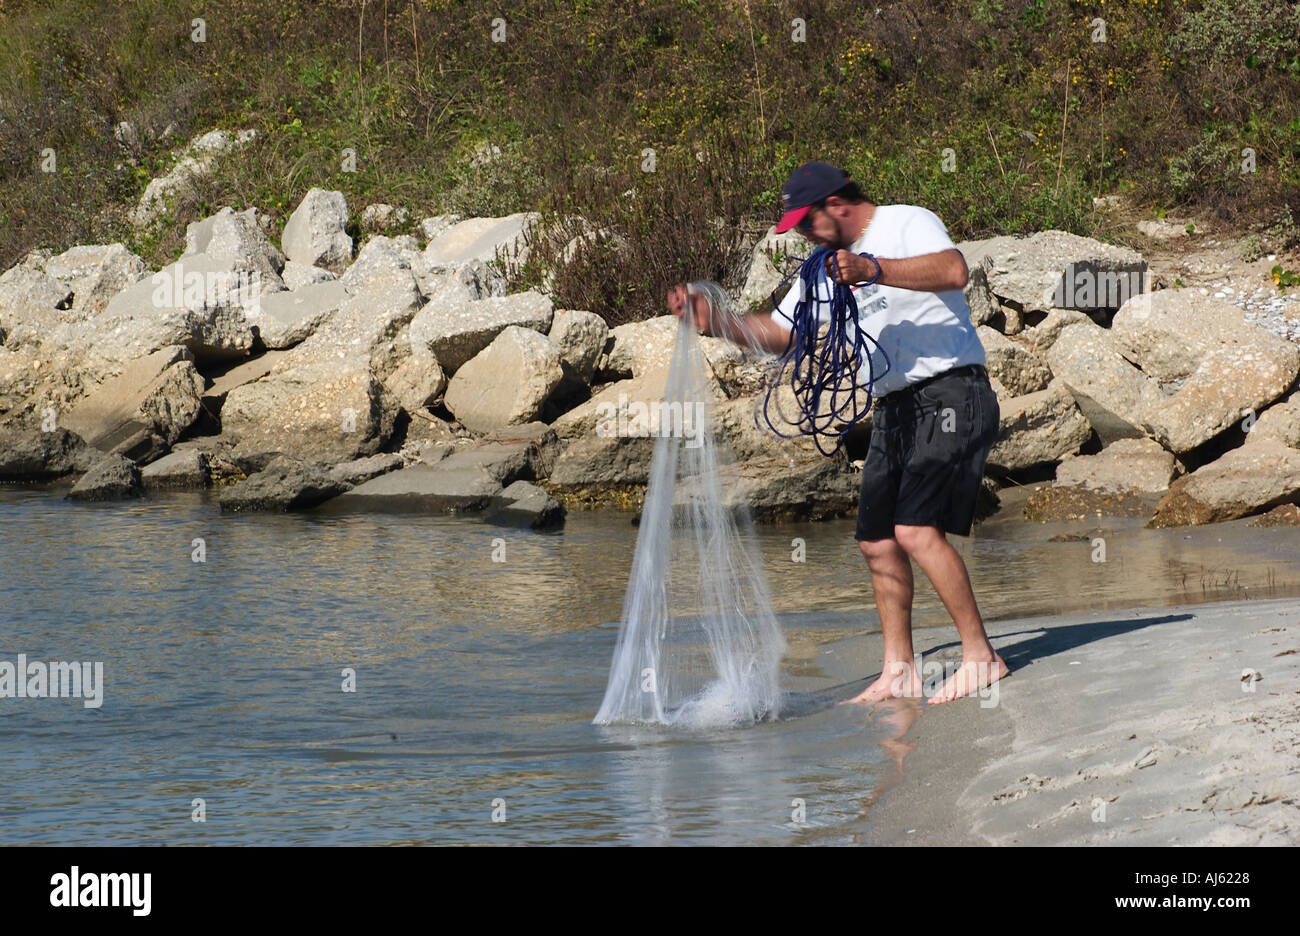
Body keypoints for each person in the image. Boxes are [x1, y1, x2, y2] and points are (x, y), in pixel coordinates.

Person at [667, 160, 1008, 705]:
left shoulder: (905, 221)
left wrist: (872, 269)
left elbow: (953, 270)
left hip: (952, 392)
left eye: (806, 221)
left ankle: (981, 656)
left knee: (916, 531)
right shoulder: (819, 268)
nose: (801, 232)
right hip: (894, 406)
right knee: (877, 541)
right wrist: (718, 322)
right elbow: (779, 333)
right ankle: (899, 670)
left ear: (837, 204)